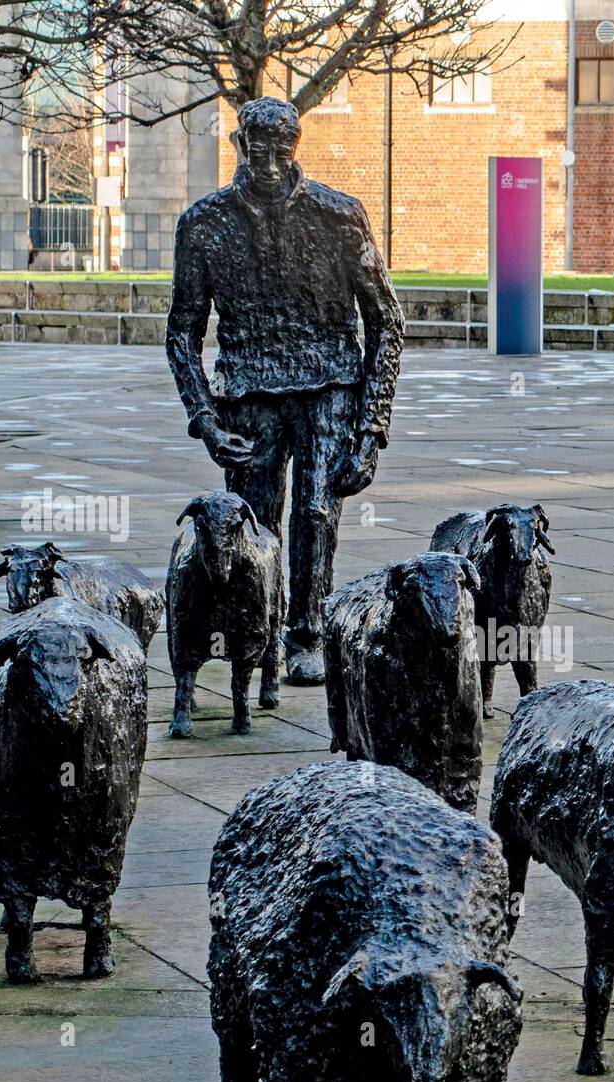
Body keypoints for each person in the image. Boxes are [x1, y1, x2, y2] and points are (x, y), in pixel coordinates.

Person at [167, 96, 404, 686]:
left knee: (318, 510)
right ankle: (262, 633)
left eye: (283, 145)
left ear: (296, 146)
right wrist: (204, 418)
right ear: (239, 145)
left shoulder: (338, 215)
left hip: (329, 382)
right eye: (258, 144)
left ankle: (309, 633)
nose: (270, 158)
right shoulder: (203, 224)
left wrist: (372, 427)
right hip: (247, 389)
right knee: (255, 523)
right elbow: (182, 330)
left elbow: (386, 321)